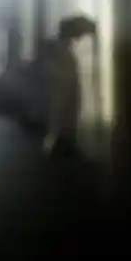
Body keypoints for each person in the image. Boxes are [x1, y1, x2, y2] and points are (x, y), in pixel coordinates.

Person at [38, 14, 97, 157]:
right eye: (80, 34)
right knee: (60, 113)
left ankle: (61, 142)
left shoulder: (63, 49)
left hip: (64, 85)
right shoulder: (59, 49)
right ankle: (55, 143)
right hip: (61, 85)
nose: (80, 38)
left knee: (65, 113)